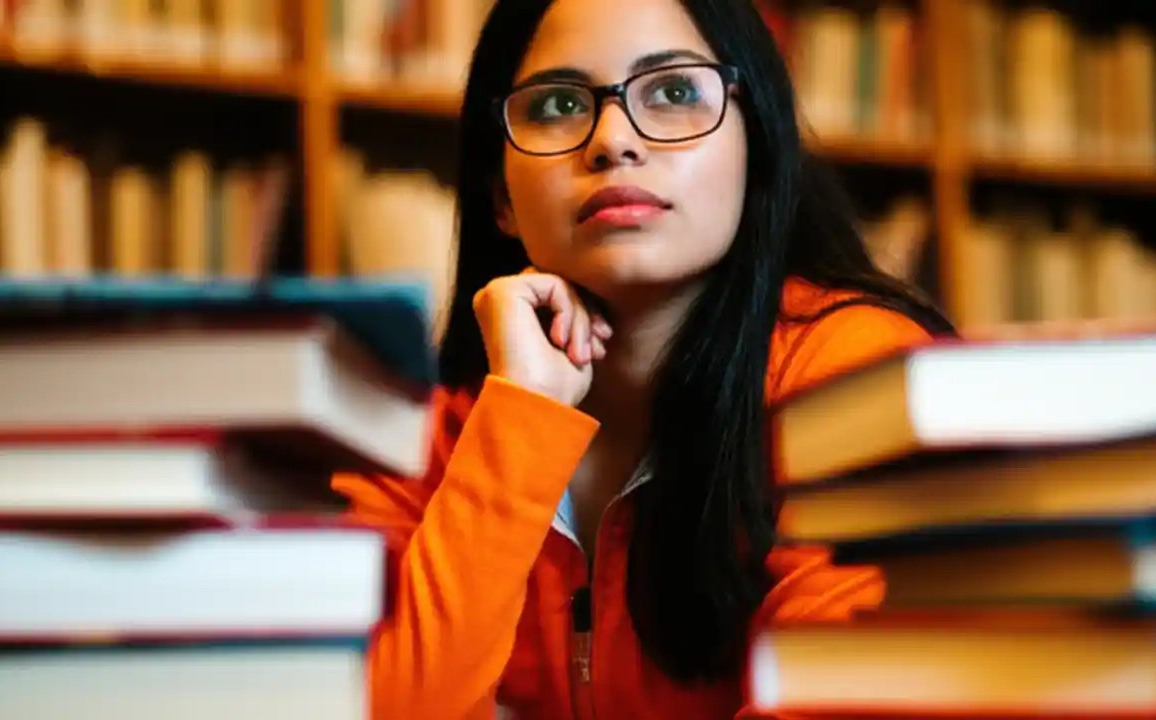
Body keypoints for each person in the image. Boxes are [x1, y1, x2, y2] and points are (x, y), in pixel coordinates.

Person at [333, 0, 952, 717]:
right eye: (559, 104)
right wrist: (519, 422)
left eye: (675, 91)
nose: (613, 141)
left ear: (754, 150)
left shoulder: (859, 382)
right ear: (500, 194)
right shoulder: (419, 437)